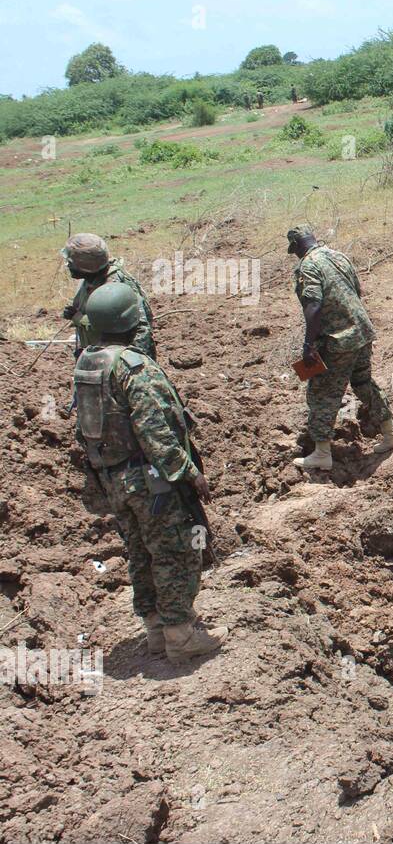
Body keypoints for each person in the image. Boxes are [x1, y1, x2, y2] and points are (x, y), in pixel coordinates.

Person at [72, 282, 226, 663]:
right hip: (150, 480)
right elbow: (154, 430)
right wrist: (189, 473)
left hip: (113, 479)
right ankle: (180, 634)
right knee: (176, 550)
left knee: (140, 551)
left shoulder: (88, 362)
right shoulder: (132, 366)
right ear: (132, 320)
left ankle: (156, 628)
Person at [287, 225, 393, 471]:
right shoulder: (338, 256)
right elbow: (356, 291)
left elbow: (313, 306)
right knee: (363, 383)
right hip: (362, 332)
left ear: (297, 246)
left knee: (322, 392)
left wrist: (309, 345)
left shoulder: (308, 267)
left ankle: (321, 453)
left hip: (339, 340)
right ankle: (391, 435)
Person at [61, 233, 154, 359]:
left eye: (71, 263)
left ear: (85, 267)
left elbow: (141, 332)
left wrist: (79, 318)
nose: (68, 266)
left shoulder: (117, 289)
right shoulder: (90, 280)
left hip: (118, 362)